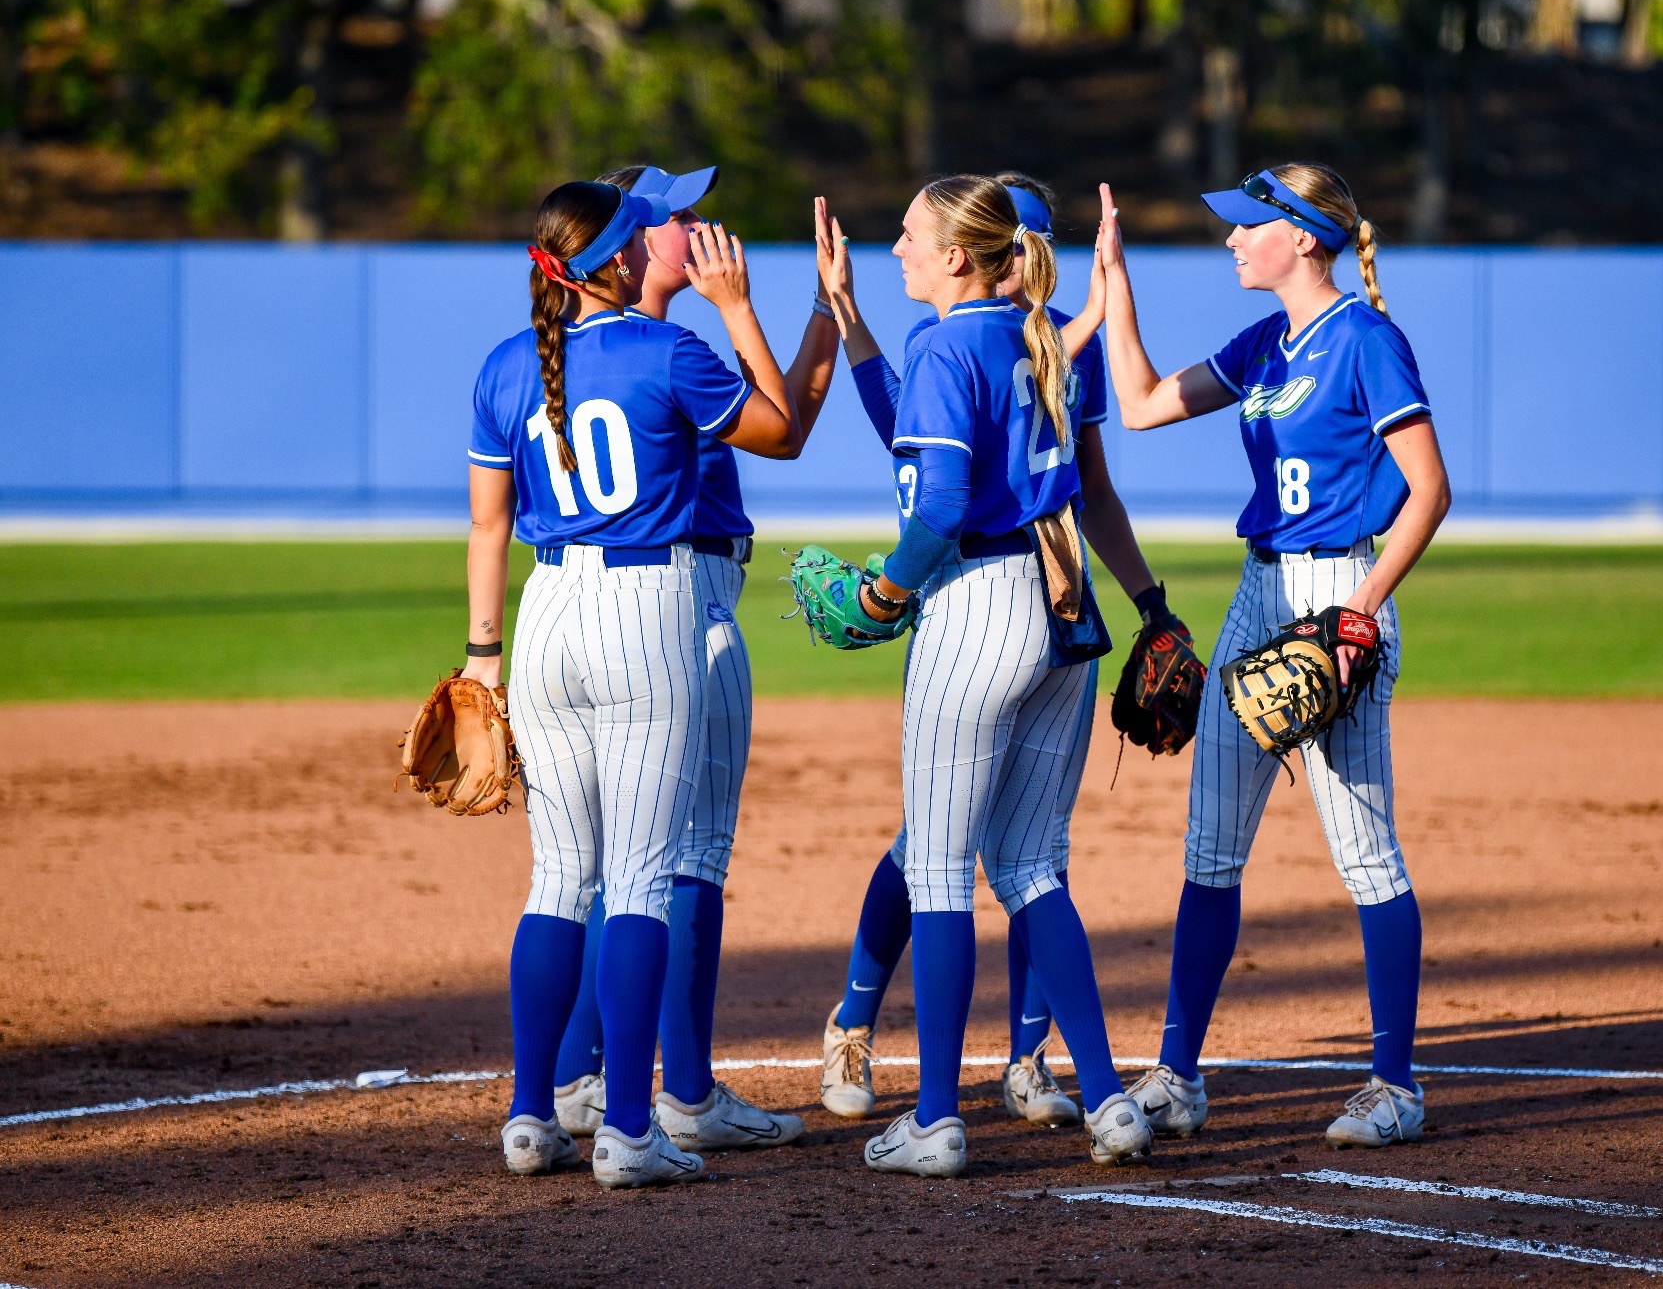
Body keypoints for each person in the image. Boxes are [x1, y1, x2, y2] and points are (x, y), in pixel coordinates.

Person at [467, 177, 829, 1188]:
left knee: (555, 879)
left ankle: (532, 1116)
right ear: (610, 260)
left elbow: (487, 521)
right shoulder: (665, 351)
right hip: (647, 608)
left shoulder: (504, 364)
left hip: (542, 616)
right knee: (637, 879)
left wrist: (478, 654)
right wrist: (744, 308)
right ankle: (630, 1127)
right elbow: (777, 430)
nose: (645, 244)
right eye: (632, 235)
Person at [1092, 165, 1452, 1147]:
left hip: (1338, 593)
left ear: (1298, 236)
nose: (1229, 241)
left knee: (1363, 848)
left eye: (1245, 226)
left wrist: (1362, 613)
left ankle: (1394, 1086)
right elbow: (1140, 405)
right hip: (1258, 592)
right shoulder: (1265, 343)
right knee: (1208, 848)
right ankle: (1176, 1073)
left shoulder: (1365, 340)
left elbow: (1426, 490)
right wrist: (1114, 285)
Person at [808, 175, 1176, 1131]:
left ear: (958, 257)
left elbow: (935, 506)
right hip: (1067, 611)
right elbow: (945, 445)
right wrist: (848, 317)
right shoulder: (1042, 336)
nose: (896, 249)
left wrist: (885, 590)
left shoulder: (944, 343)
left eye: (908, 234)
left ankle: (935, 1119)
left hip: (976, 603)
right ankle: (1106, 1100)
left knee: (936, 870)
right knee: (1032, 866)